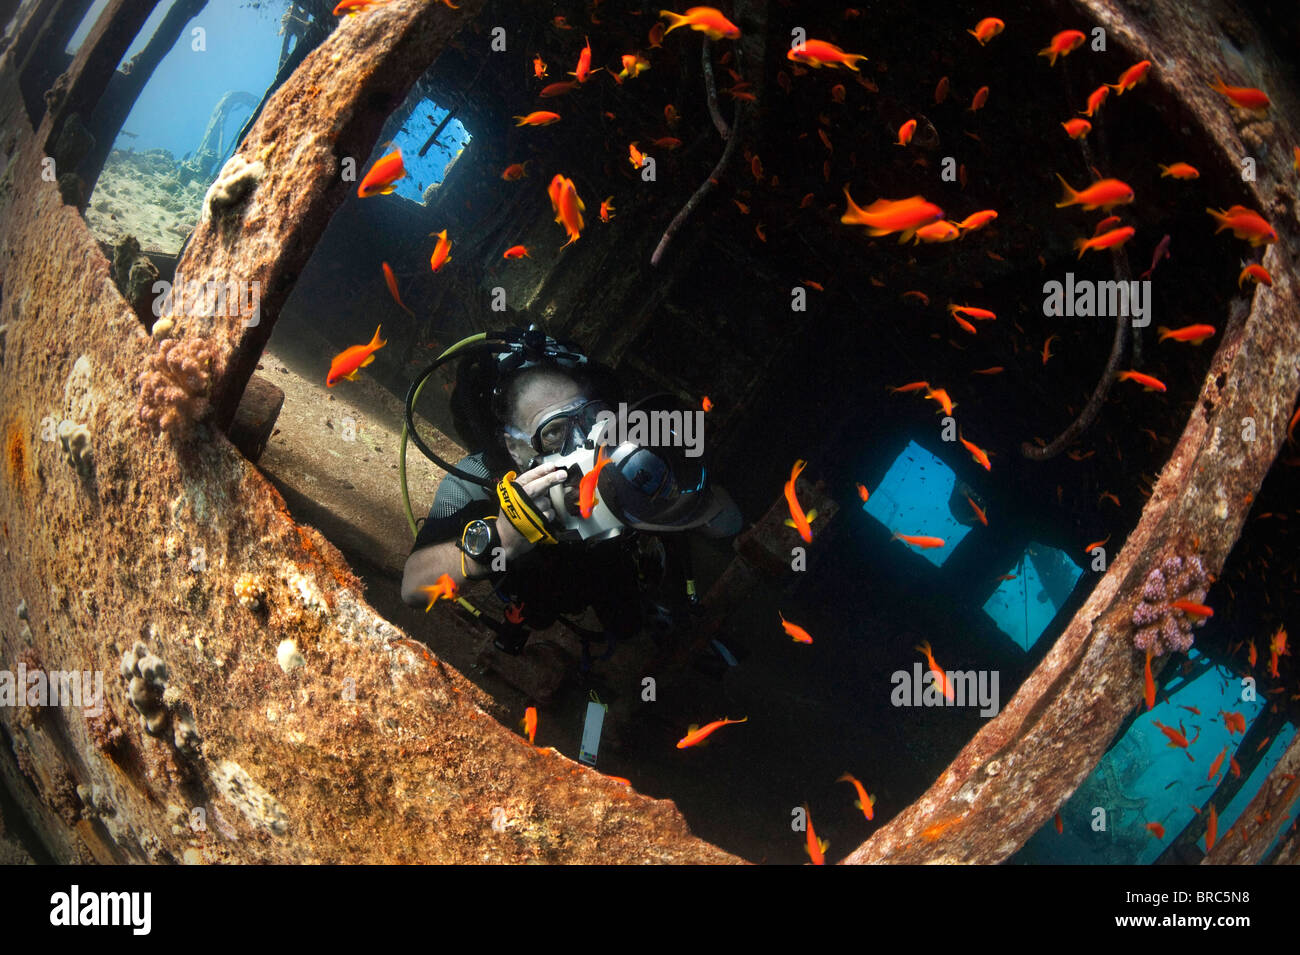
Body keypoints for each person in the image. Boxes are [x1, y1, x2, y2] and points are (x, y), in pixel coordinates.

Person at [400, 353, 741, 664]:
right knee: (540, 611)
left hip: (609, 565)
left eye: (590, 416)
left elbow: (726, 519)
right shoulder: (478, 477)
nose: (583, 440)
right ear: (516, 448)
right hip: (540, 582)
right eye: (554, 432)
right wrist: (501, 537)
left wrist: (671, 478)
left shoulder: (621, 448)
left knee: (626, 625)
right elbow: (413, 587)